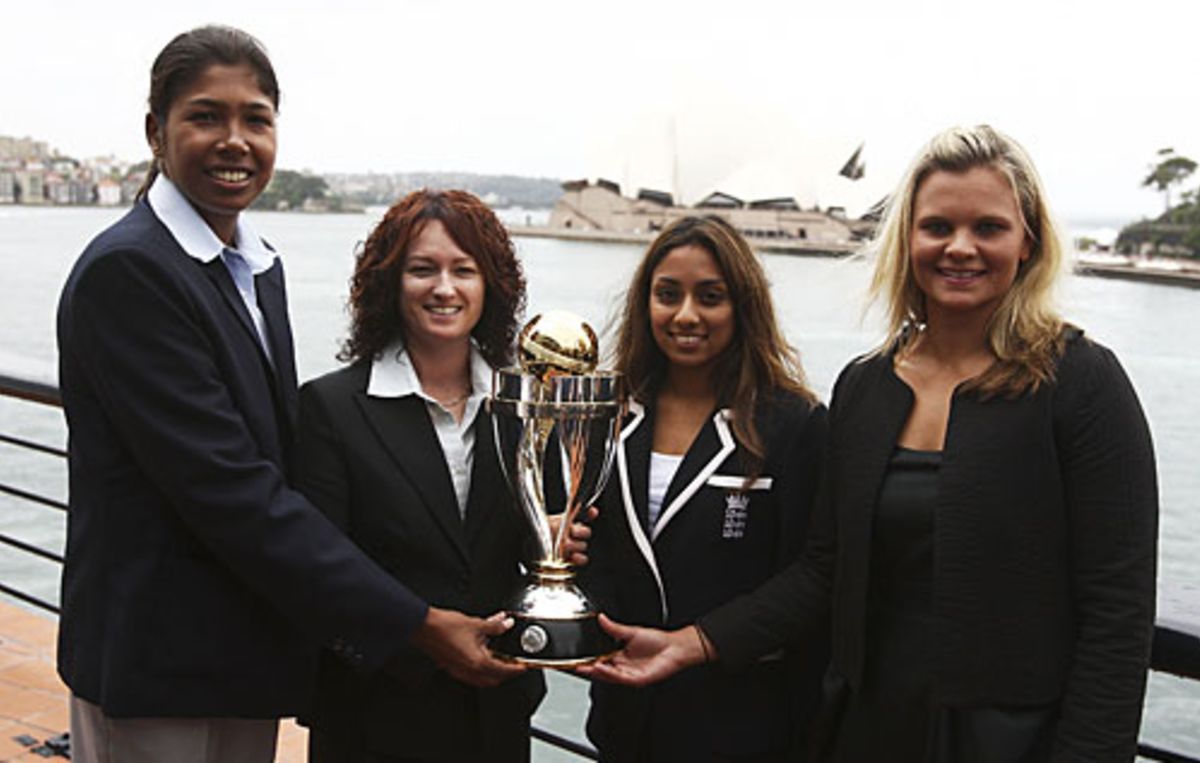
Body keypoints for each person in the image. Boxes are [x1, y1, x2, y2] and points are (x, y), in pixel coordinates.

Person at [580, 126, 1158, 762]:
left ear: (1029, 243)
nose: (959, 248)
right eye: (937, 226)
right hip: (868, 725)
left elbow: (1117, 611)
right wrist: (692, 643)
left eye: (988, 228)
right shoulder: (868, 387)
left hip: (1011, 739)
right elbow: (823, 569)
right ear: (906, 239)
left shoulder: (1079, 383)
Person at [56, 26, 520, 763]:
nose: (235, 141)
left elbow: (276, 461)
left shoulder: (253, 268)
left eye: (256, 118)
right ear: (156, 131)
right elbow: (231, 487)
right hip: (157, 656)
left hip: (246, 649)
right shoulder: (131, 271)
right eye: (206, 116)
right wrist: (415, 622)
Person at [297, 190, 557, 762]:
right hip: (374, 712)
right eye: (422, 270)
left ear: (491, 286)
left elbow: (526, 551)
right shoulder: (330, 408)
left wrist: (559, 541)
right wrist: (428, 643)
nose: (445, 288)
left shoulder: (525, 410)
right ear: (390, 284)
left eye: (464, 270)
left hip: (496, 709)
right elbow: (320, 572)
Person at [579, 216, 829, 762]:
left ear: (742, 307)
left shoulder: (793, 423)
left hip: (742, 725)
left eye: (710, 297)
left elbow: (816, 572)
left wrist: (700, 642)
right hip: (626, 724)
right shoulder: (603, 417)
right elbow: (580, 542)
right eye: (668, 295)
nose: (686, 315)